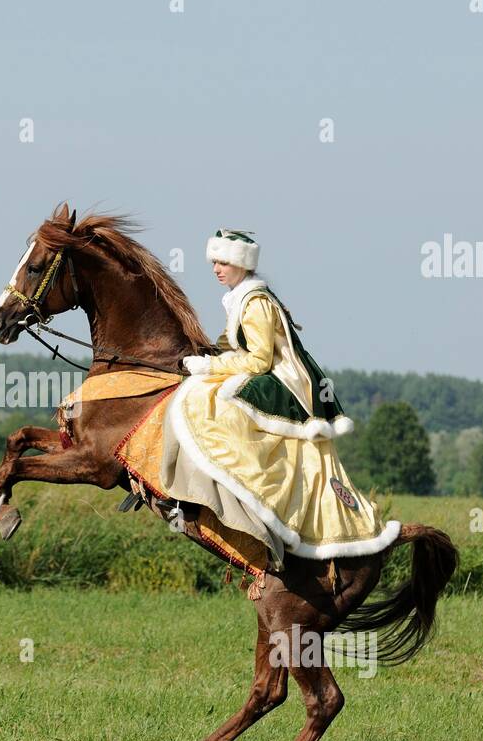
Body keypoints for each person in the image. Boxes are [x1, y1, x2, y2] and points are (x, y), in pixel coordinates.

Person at [160, 229, 399, 570]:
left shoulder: (255, 303)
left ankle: (246, 487)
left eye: (224, 261)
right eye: (214, 261)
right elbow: (234, 346)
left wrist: (209, 366)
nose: (216, 268)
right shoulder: (240, 297)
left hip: (284, 380)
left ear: (242, 264)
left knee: (211, 403)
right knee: (203, 392)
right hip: (268, 371)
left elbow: (258, 359)